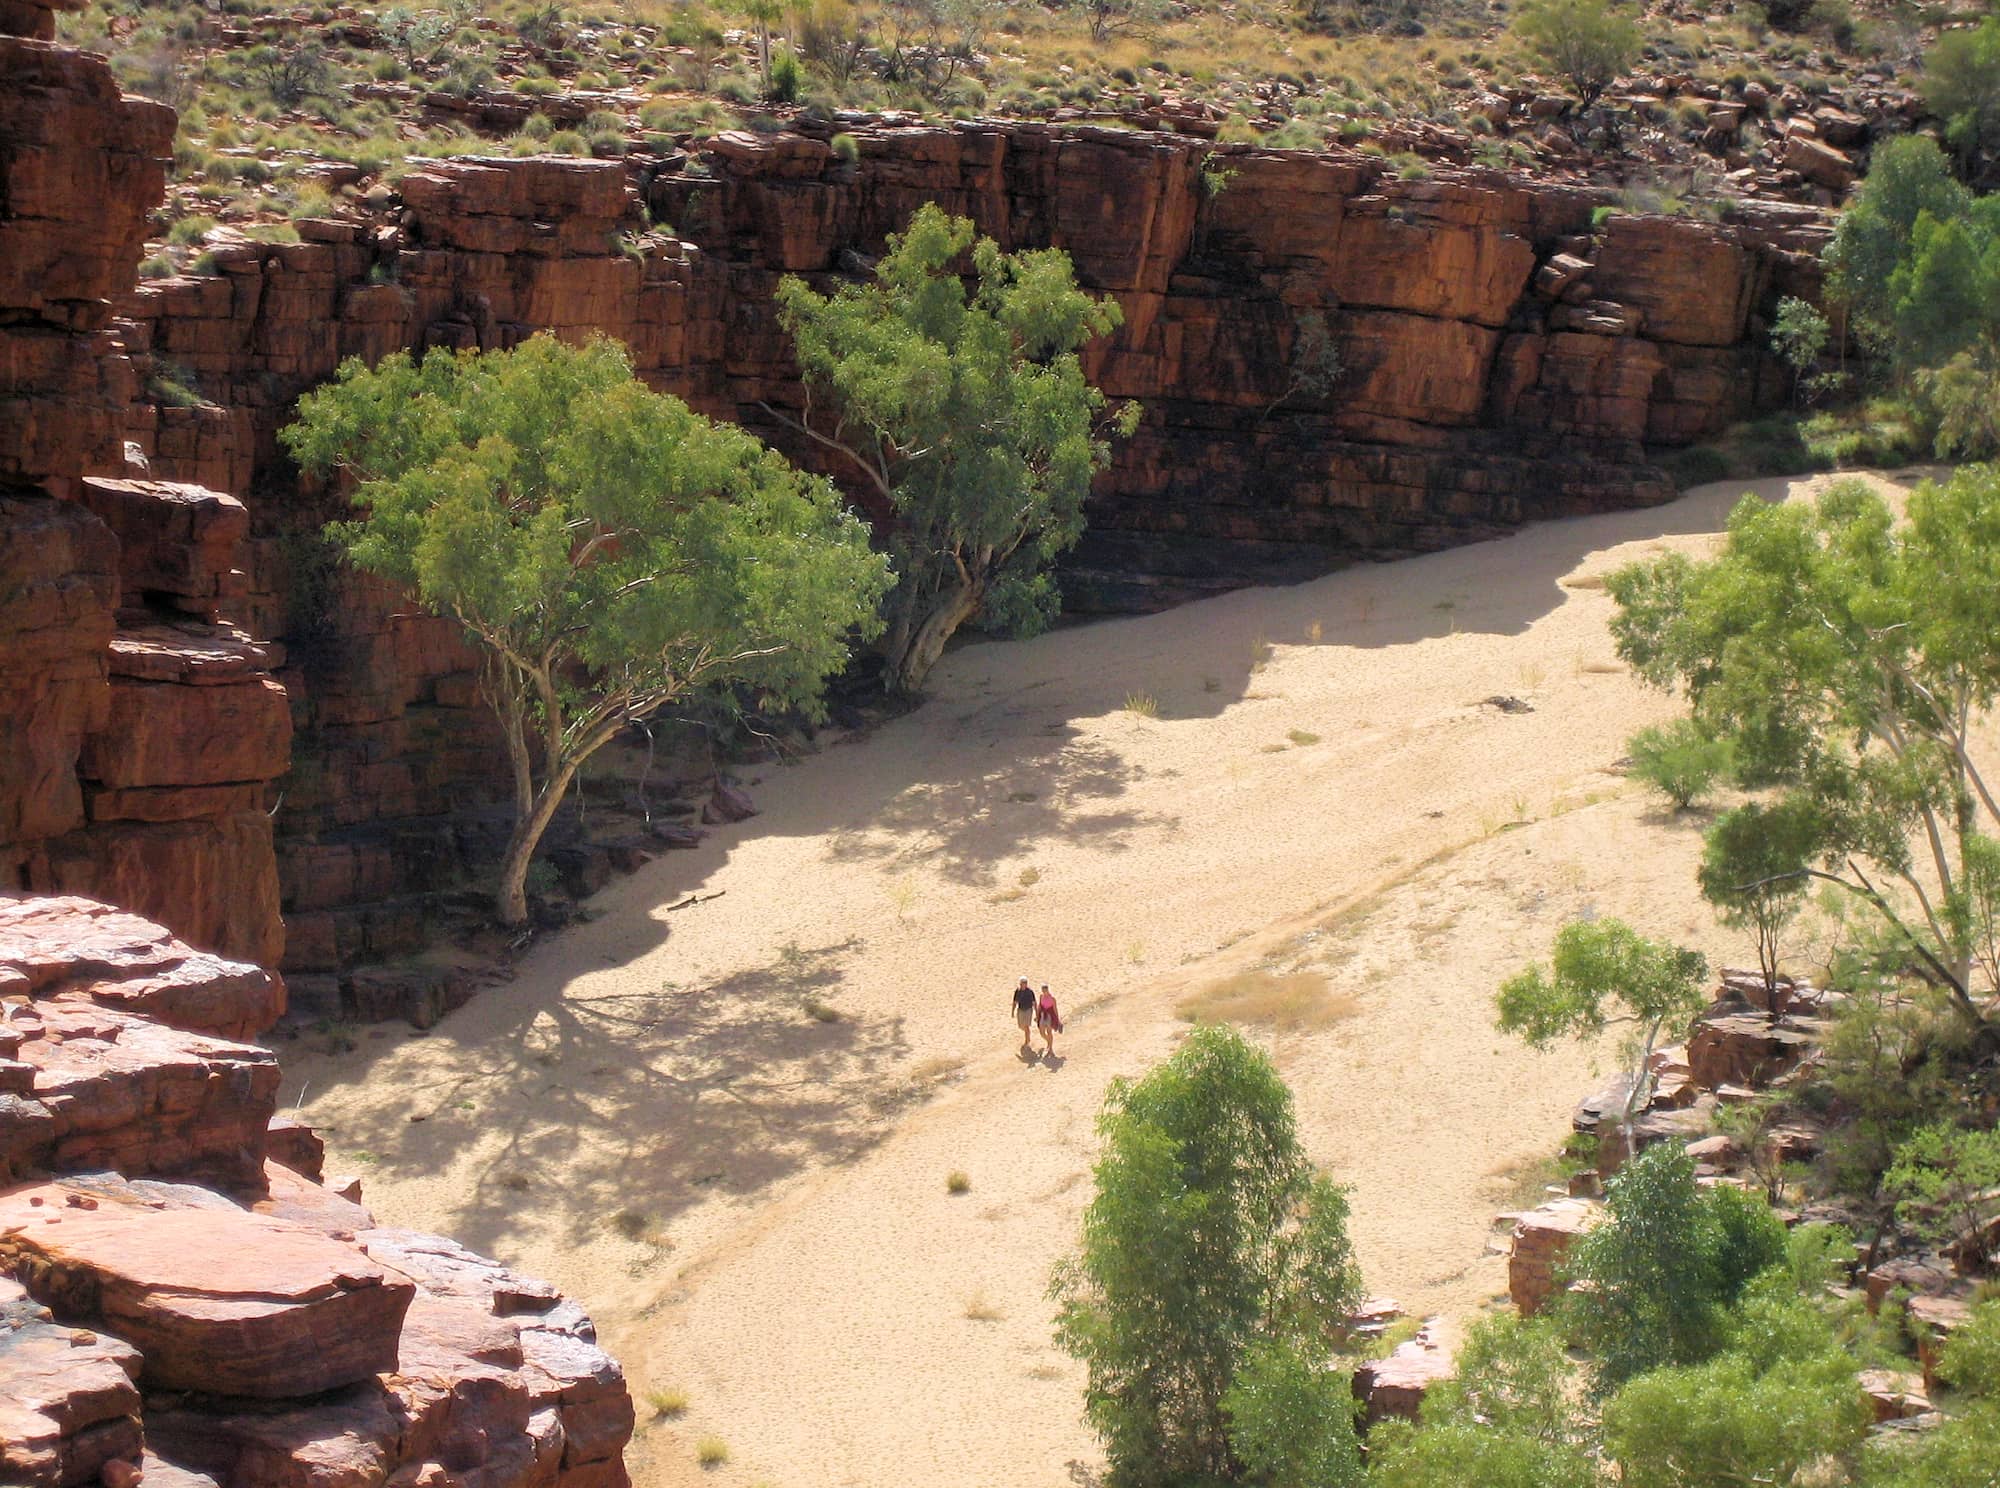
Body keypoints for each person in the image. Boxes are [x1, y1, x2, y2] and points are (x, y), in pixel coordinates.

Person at [1036, 983, 1063, 1057]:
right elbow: (1039, 1006)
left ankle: (1050, 1048)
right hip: (1042, 1015)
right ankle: (1048, 1041)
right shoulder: (1041, 996)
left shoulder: (1052, 998)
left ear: (1048, 990)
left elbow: (1055, 1009)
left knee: (1049, 1032)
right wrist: (1037, 1016)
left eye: (1045, 990)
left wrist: (1058, 1019)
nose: (1044, 992)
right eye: (1043, 990)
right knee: (1041, 1032)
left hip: (1049, 1016)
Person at [1011, 976, 1037, 1052]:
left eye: (1026, 982)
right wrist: (1012, 1011)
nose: (1025, 984)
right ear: (1020, 983)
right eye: (1023, 983)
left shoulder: (1030, 992)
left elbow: (1034, 1002)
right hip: (1020, 1010)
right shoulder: (1018, 991)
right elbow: (1015, 1002)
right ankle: (1027, 1035)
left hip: (1028, 1010)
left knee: (1026, 1026)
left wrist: (1036, 1012)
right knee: (1021, 1026)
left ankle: (1027, 1041)